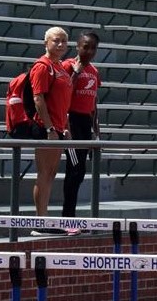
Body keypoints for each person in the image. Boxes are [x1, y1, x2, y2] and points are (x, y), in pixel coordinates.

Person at [9, 26, 71, 233]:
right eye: (56, 40)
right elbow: (38, 98)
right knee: (44, 172)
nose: (60, 44)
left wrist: (65, 126)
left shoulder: (60, 67)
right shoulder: (42, 66)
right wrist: (50, 127)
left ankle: (44, 218)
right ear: (46, 43)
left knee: (51, 173)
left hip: (59, 127)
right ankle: (39, 221)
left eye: (64, 40)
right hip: (46, 127)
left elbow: (62, 101)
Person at [60, 31, 101, 224]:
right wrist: (75, 72)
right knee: (74, 168)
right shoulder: (68, 66)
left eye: (93, 47)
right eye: (86, 46)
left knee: (81, 171)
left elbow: (94, 103)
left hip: (85, 122)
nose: (89, 51)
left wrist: (96, 132)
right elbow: (62, 91)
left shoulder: (94, 71)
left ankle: (71, 215)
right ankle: (67, 217)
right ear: (77, 46)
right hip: (71, 121)